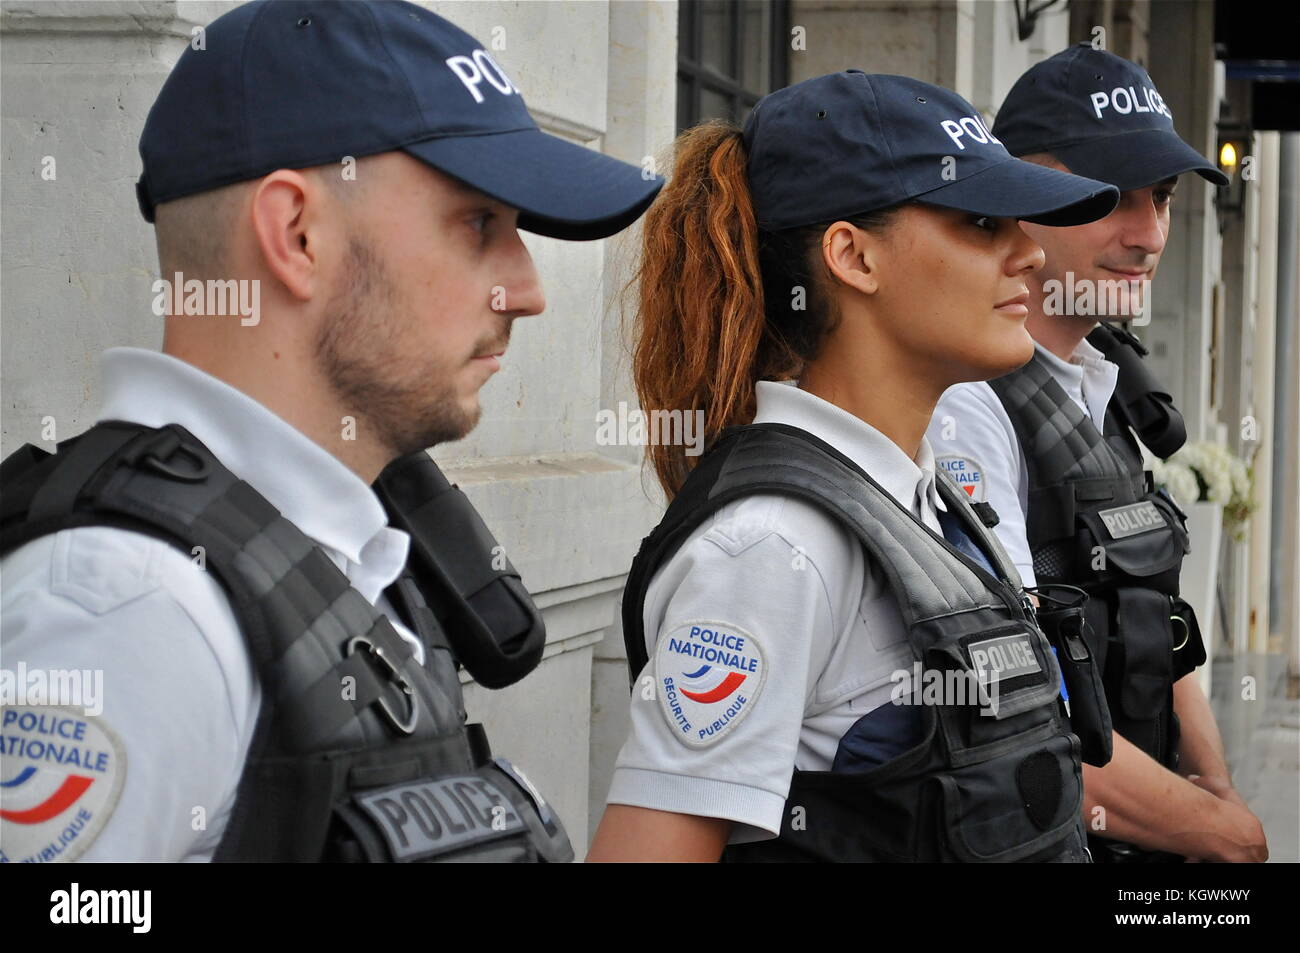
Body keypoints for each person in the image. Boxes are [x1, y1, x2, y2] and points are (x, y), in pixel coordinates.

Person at [0, 0, 661, 863]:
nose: (527, 288)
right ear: (297, 233)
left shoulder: (354, 544)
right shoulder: (124, 609)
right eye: (478, 222)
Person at [586, 70, 1122, 862]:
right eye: (981, 221)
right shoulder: (773, 547)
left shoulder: (923, 499)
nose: (1032, 254)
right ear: (853, 256)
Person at [927, 43, 1268, 863]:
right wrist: (1225, 834)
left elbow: (1156, 612)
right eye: (1111, 195)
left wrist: (1213, 788)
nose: (1148, 234)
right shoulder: (965, 405)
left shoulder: (1101, 382)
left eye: (1162, 197)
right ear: (1019, 191)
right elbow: (1014, 715)